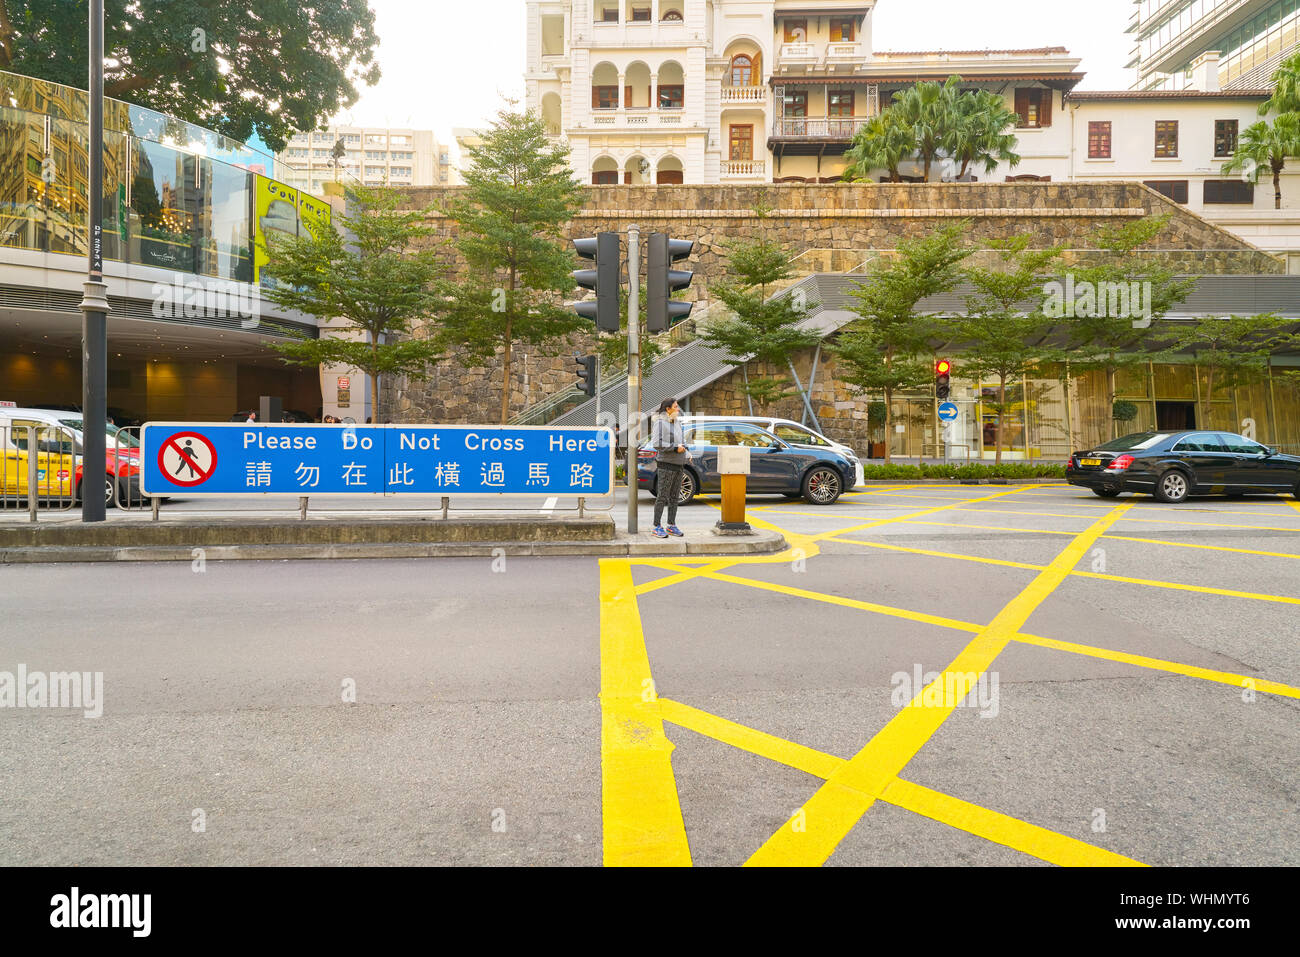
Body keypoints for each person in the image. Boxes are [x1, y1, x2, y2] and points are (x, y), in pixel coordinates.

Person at [650, 397, 690, 538]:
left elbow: (682, 441)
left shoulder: (676, 422)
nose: (678, 409)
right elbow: (656, 443)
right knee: (662, 496)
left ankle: (671, 525)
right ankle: (656, 526)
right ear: (668, 409)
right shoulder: (660, 423)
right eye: (675, 407)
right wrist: (674, 448)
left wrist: (686, 452)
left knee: (674, 497)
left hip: (679, 464)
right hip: (666, 464)